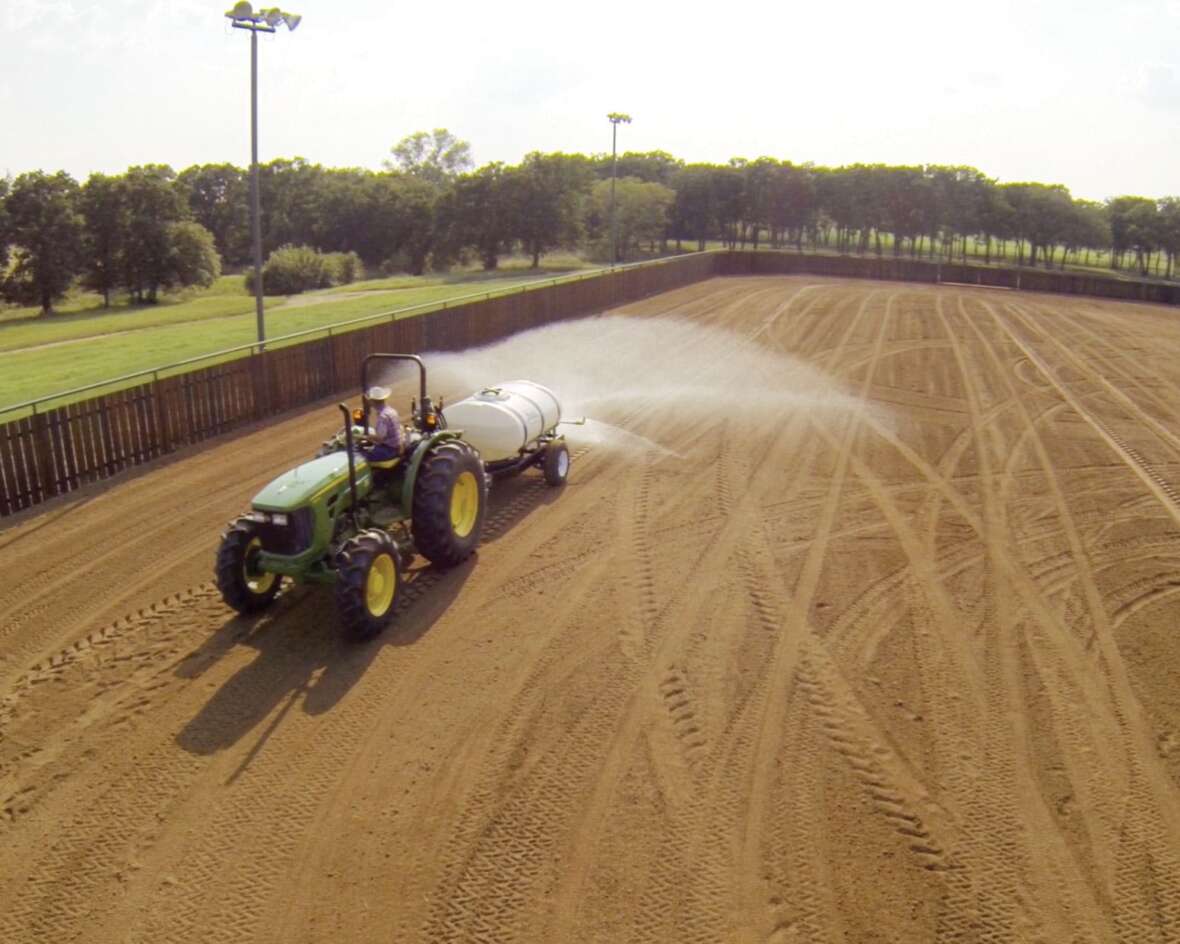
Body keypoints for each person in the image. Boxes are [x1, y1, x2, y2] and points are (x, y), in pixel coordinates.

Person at [363, 386, 405, 463]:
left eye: (370, 401)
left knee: (361, 458)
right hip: (397, 446)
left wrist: (366, 437)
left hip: (389, 450)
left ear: (373, 402)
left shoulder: (383, 417)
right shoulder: (392, 411)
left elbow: (380, 438)